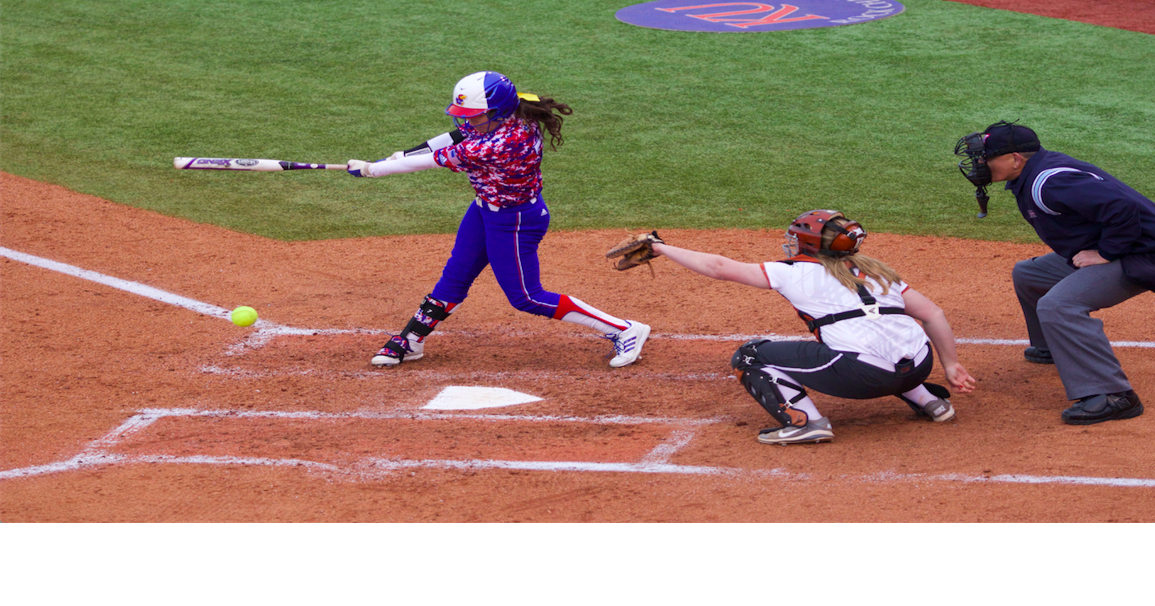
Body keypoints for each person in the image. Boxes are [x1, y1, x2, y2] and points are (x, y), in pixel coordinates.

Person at [346, 71, 650, 368]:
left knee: (526, 297)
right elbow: (456, 134)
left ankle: (624, 329)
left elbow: (434, 159)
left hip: (515, 221)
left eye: (474, 114)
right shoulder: (505, 113)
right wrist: (403, 153)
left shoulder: (498, 145)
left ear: (497, 110)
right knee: (455, 277)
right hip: (484, 211)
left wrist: (373, 169)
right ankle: (412, 340)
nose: (467, 120)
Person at [647, 210, 976, 445]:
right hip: (921, 365)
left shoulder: (792, 271)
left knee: (749, 356)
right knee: (878, 337)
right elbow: (932, 314)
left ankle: (806, 423)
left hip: (863, 377)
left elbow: (718, 267)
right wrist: (950, 364)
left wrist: (659, 247)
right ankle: (929, 401)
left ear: (808, 243)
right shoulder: (877, 270)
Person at [955, 121, 1154, 425]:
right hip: (1123, 245)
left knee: (1059, 305)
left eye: (986, 157)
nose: (980, 164)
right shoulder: (1035, 172)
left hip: (1140, 254)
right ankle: (1054, 346)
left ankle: (1114, 395)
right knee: (1030, 275)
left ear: (1015, 159)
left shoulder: (1049, 182)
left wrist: (1105, 253)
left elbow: (1122, 208)